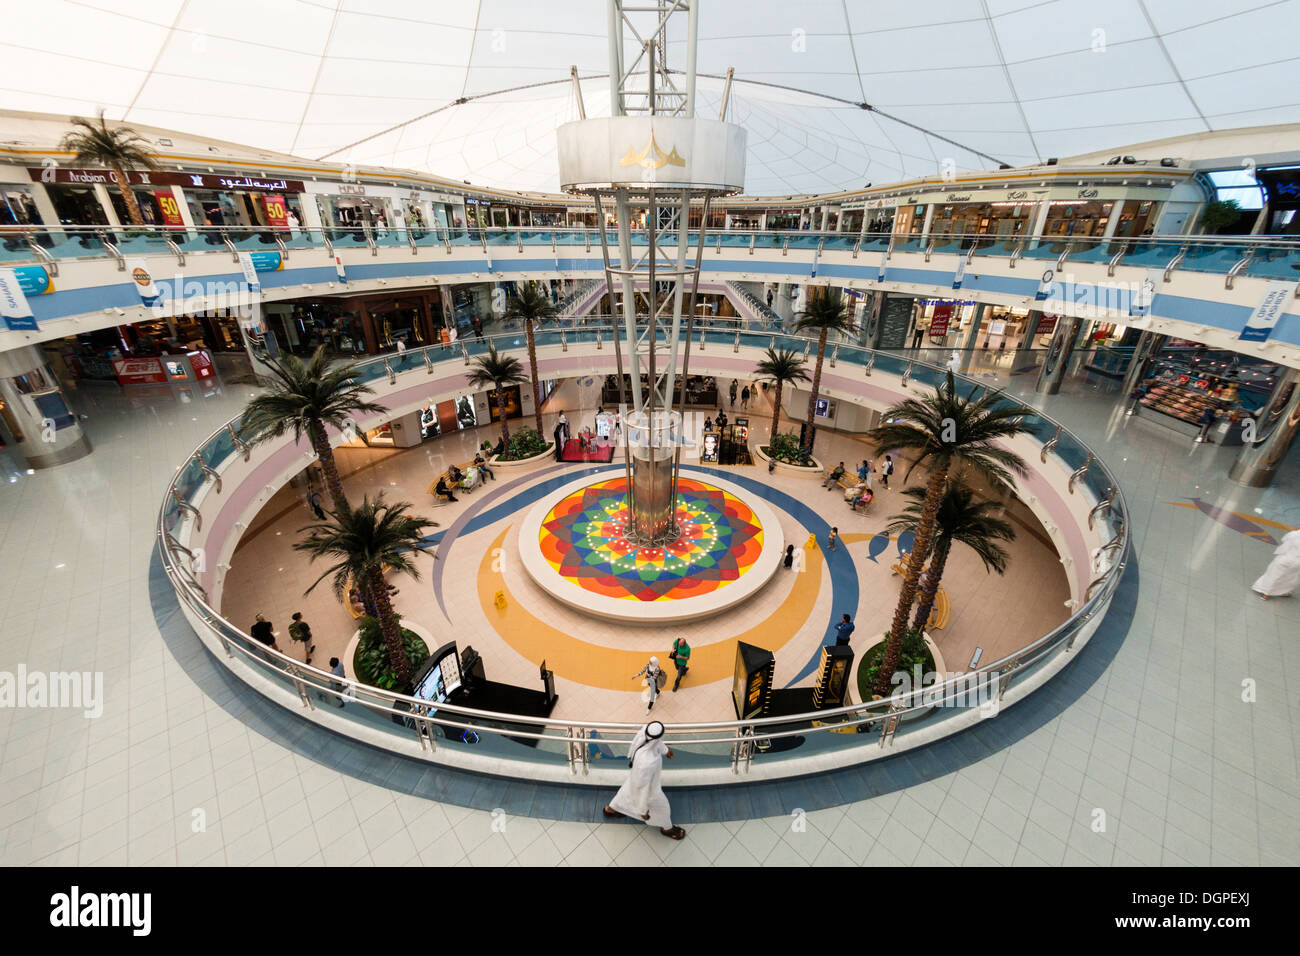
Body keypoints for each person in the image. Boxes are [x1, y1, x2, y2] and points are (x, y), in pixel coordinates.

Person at [602, 721, 685, 840]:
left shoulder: (645, 732)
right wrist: (643, 810)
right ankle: (667, 829)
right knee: (663, 808)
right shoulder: (647, 762)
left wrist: (666, 751)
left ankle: (610, 809)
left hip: (635, 776)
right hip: (650, 789)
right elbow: (642, 788)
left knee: (626, 793)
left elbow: (656, 742)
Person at [1252, 530, 1300, 600]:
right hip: (1298, 563)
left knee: (1274, 575)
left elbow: (1284, 539)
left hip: (1285, 558)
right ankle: (1286, 591)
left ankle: (1265, 594)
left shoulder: (1294, 534)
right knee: (1293, 577)